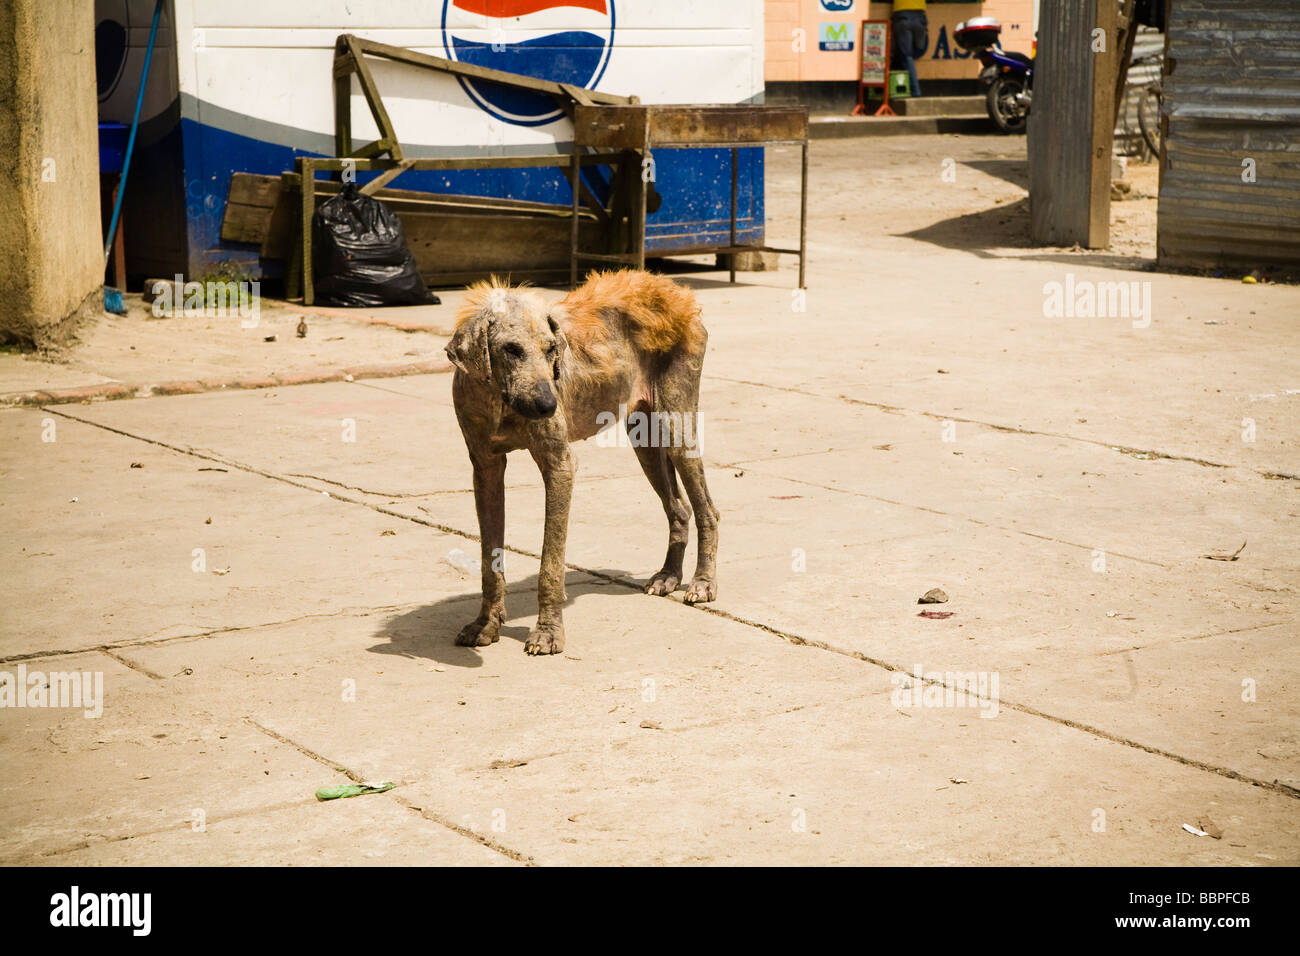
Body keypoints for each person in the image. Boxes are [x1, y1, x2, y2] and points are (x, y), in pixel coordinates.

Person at [891, 0, 928, 98]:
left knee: (906, 56)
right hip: (920, 18)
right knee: (916, 53)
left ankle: (915, 91)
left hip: (902, 17)